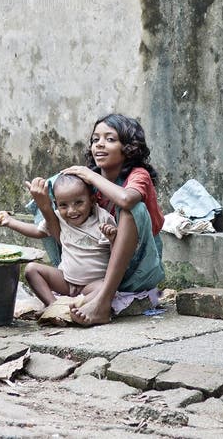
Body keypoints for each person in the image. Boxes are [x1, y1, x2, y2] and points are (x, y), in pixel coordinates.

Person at [56, 112, 165, 325]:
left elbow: (126, 199)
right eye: (95, 140)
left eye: (110, 139)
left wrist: (90, 175)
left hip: (136, 268)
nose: (99, 145)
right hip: (93, 269)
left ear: (128, 148)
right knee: (59, 193)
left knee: (132, 209)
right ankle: (74, 281)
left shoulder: (138, 174)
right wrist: (43, 197)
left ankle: (103, 303)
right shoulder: (87, 181)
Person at [0, 173, 117, 307]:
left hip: (92, 285)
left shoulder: (102, 219)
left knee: (105, 289)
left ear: (92, 200)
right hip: (66, 281)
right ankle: (53, 305)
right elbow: (38, 231)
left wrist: (112, 239)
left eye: (78, 203)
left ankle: (73, 306)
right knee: (31, 270)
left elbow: (116, 254)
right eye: (63, 205)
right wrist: (10, 222)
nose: (71, 211)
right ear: (56, 205)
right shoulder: (60, 218)